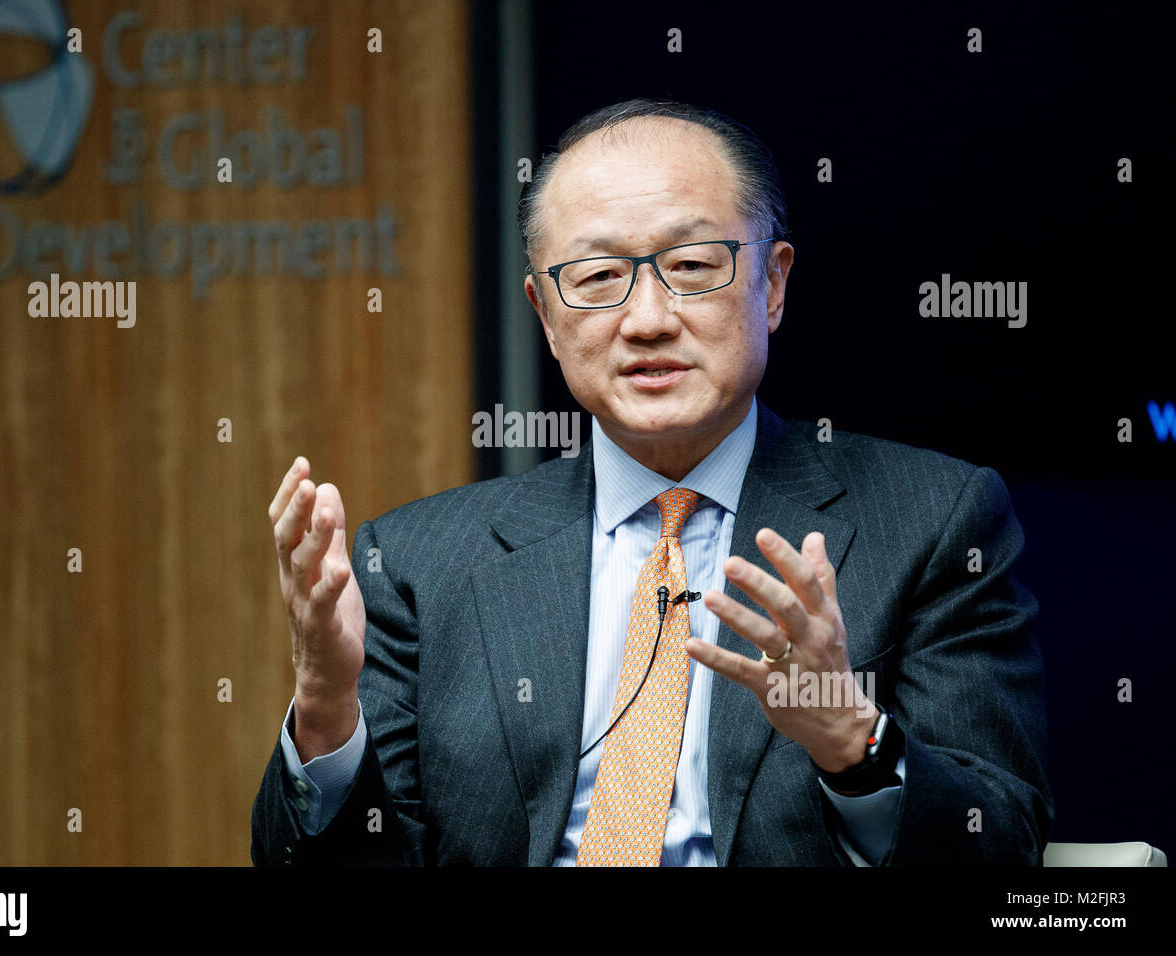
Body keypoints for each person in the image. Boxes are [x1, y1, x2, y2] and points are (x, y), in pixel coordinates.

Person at [250, 98, 1053, 866]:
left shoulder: (933, 522)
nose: (647, 319)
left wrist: (852, 741)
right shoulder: (421, 560)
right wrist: (324, 703)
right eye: (598, 277)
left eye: (691, 265)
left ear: (772, 285)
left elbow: (1001, 847)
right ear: (546, 316)